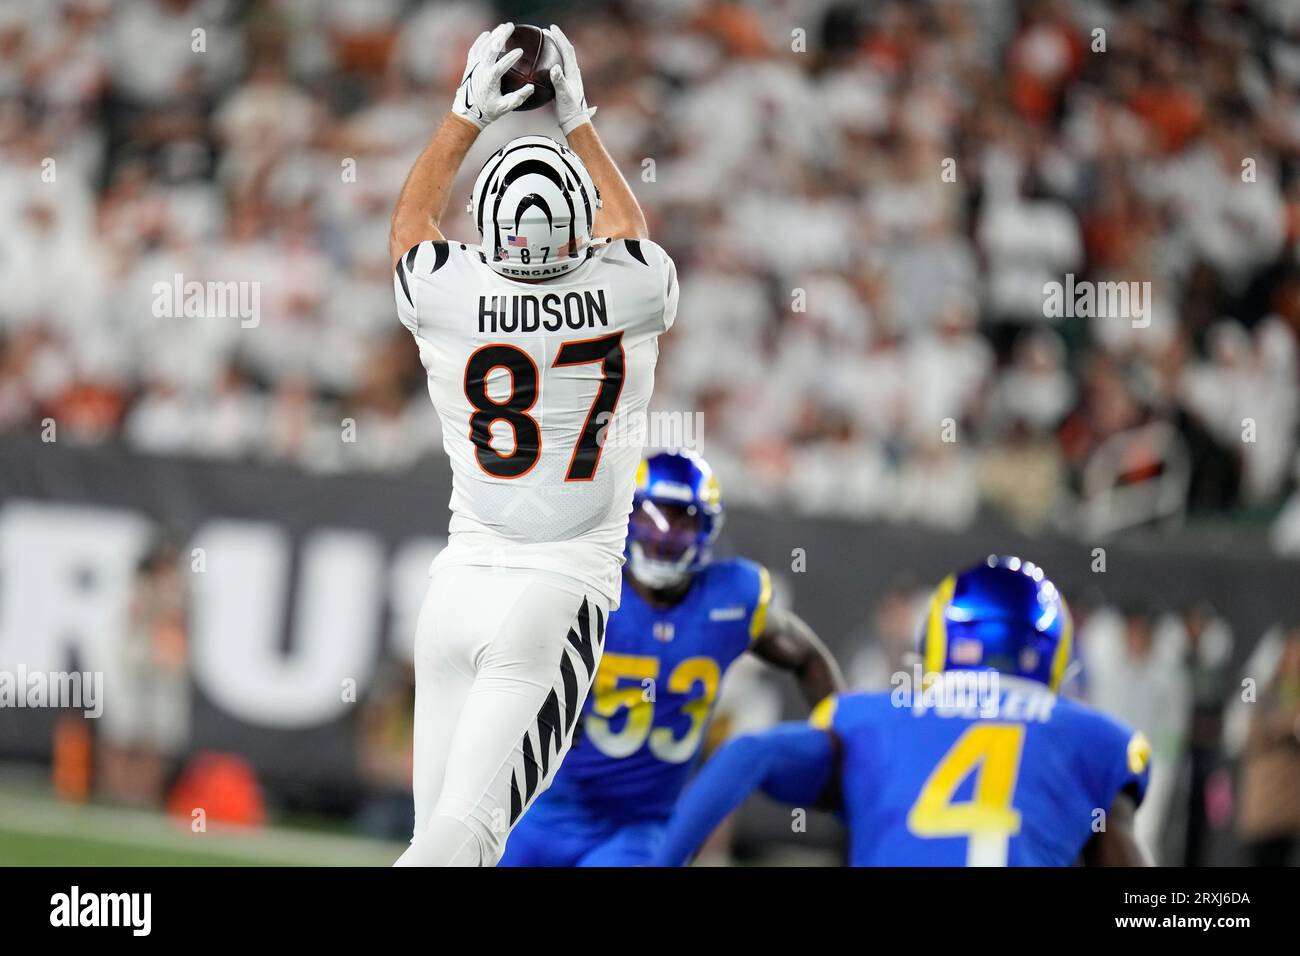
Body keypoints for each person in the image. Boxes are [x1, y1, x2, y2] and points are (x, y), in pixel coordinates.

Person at [389, 23, 678, 866]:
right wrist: (579, 120)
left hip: (456, 586)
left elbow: (411, 223)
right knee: (468, 841)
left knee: (438, 839)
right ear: (577, 225)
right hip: (555, 596)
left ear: (485, 222)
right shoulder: (632, 287)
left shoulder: (445, 291)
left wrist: (464, 116)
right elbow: (629, 228)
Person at [652, 557, 1153, 866]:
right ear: (1053, 652)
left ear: (939, 636)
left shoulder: (875, 718)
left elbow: (748, 754)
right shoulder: (1094, 738)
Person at [499, 450, 844, 866]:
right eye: (652, 516)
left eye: (681, 520)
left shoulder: (731, 599)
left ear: (707, 528)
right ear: (628, 517)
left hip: (640, 829)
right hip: (544, 809)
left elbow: (808, 658)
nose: (663, 535)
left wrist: (839, 749)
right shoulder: (591, 587)